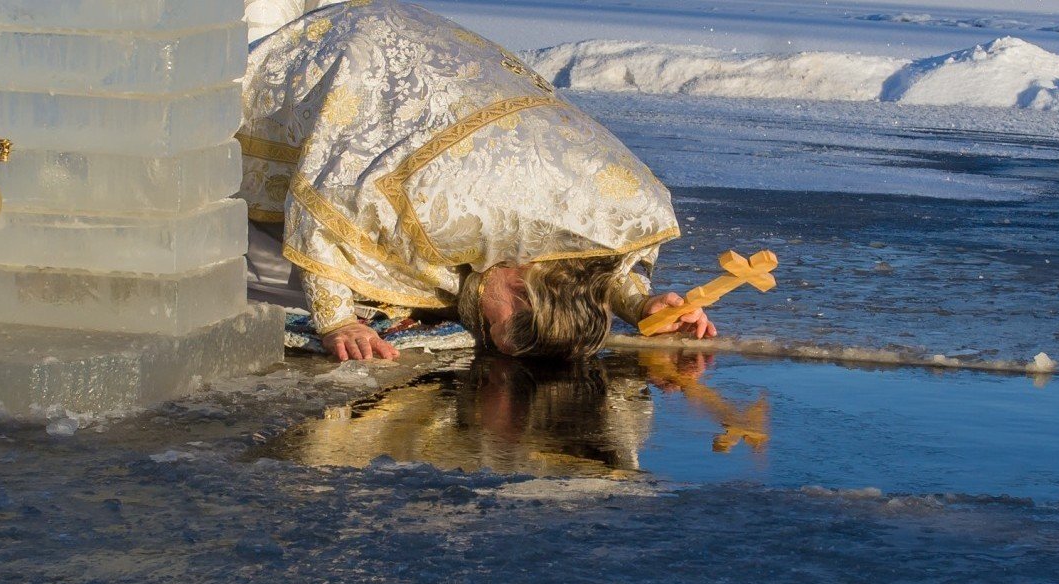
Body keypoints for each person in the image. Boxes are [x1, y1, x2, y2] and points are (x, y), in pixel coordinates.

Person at [238, 0, 716, 362]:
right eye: (491, 326)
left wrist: (641, 304)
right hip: (343, 63)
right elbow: (333, 200)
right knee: (232, 45)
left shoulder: (568, 234)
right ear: (522, 283)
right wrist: (337, 321)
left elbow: (589, 253)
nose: (477, 328)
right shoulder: (451, 207)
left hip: (414, 46)